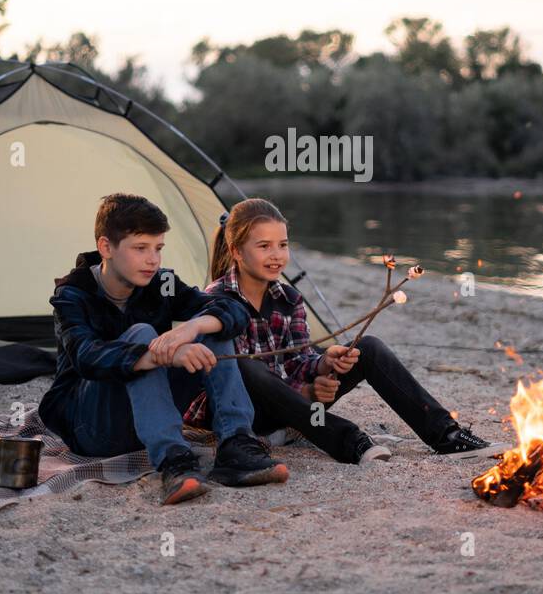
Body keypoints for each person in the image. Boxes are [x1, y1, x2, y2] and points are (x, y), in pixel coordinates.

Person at [181, 197, 492, 465]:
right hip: (240, 413)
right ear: (236, 251)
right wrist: (305, 392)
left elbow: (298, 360)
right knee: (244, 367)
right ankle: (347, 439)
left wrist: (324, 365)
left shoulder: (288, 299)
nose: (276, 256)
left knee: (366, 347)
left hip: (293, 409)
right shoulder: (217, 299)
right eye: (264, 246)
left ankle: (446, 436)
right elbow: (239, 381)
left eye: (283, 245)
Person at [38, 193, 288, 505]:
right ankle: (174, 461)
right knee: (143, 333)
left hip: (147, 417)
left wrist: (193, 327)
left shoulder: (160, 283)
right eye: (140, 248)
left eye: (158, 248)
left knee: (212, 325)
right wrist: (157, 353)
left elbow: (233, 307)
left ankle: (235, 445)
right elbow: (87, 357)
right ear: (106, 247)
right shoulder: (72, 295)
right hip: (94, 428)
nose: (153, 260)